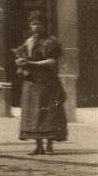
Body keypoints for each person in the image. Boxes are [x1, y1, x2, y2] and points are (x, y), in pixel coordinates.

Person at [15, 11, 67, 155]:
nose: (36, 27)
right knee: (34, 113)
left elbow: (53, 62)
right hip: (32, 83)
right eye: (33, 24)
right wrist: (21, 63)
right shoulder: (28, 42)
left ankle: (49, 145)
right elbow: (23, 56)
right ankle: (38, 146)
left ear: (44, 25)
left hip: (47, 83)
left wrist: (33, 63)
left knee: (49, 112)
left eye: (38, 24)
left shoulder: (52, 42)